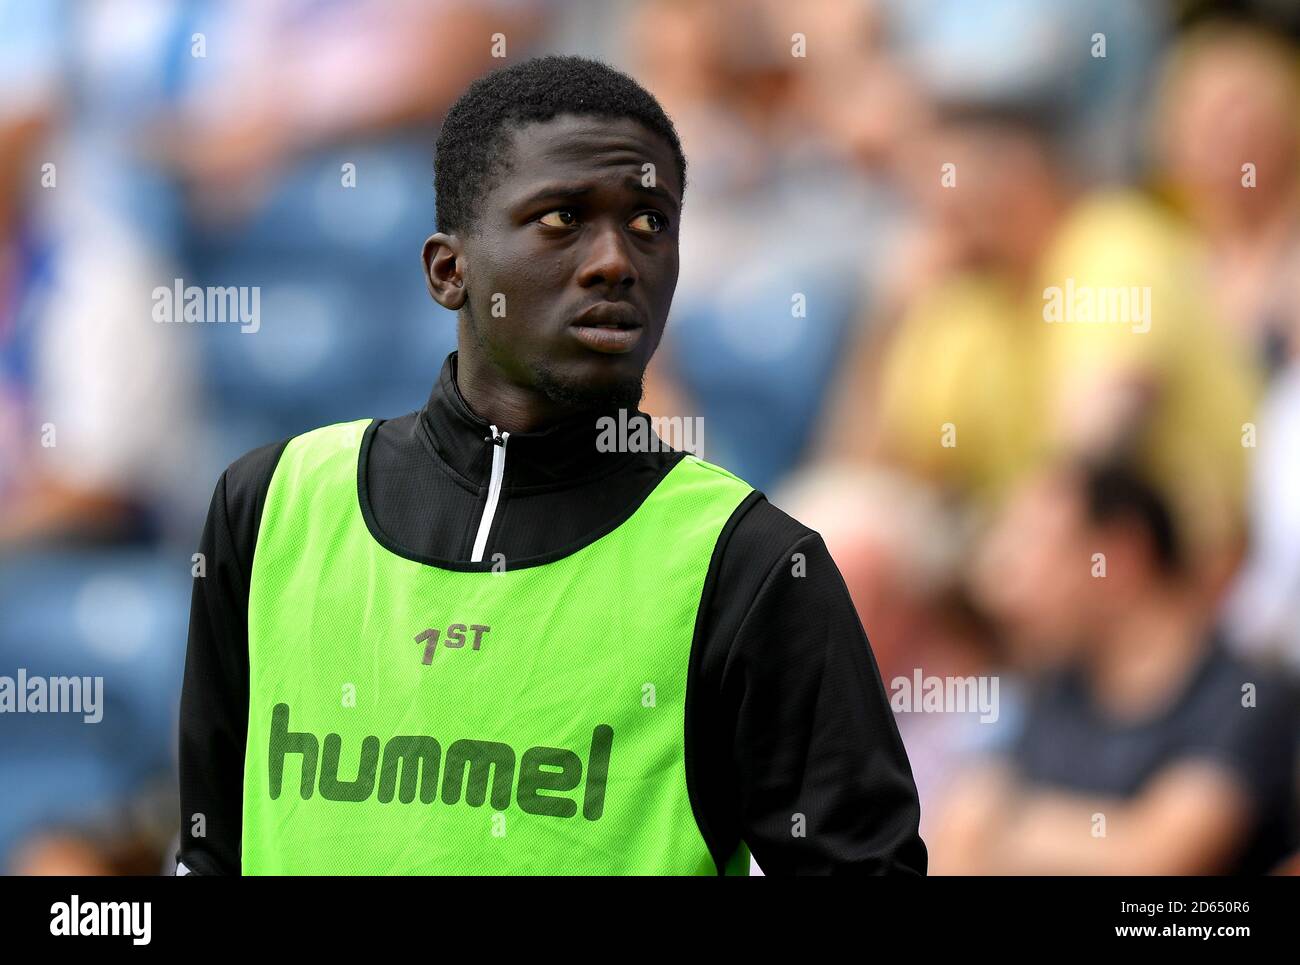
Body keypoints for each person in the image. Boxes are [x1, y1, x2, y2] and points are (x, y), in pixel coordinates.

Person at [175, 55, 926, 875]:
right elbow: (210, 849)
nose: (616, 260)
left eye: (650, 222)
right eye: (564, 217)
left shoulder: (750, 564)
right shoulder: (270, 506)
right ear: (448, 269)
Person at [931, 462, 1299, 875]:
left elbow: (1160, 860)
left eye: (1035, 547)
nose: (1003, 586)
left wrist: (1010, 828)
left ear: (1118, 556)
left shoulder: (1248, 696)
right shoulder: (1050, 689)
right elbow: (958, 838)